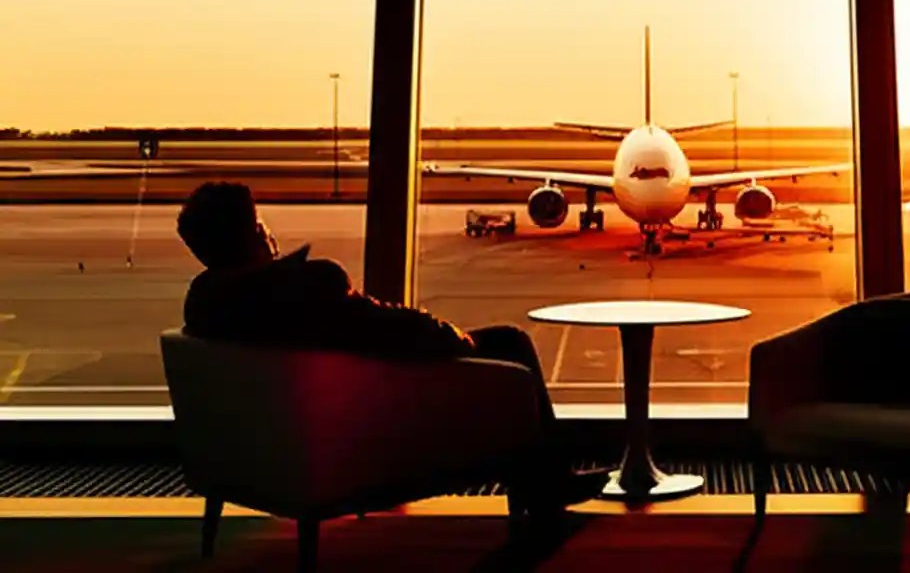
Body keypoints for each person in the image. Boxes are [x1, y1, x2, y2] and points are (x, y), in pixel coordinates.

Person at [175, 181, 605, 515]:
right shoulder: (308, 289)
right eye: (259, 225)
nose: (269, 233)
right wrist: (456, 338)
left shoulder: (208, 306)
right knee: (509, 342)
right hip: (363, 416)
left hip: (275, 442)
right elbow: (387, 328)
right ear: (250, 237)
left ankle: (542, 479)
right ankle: (545, 482)